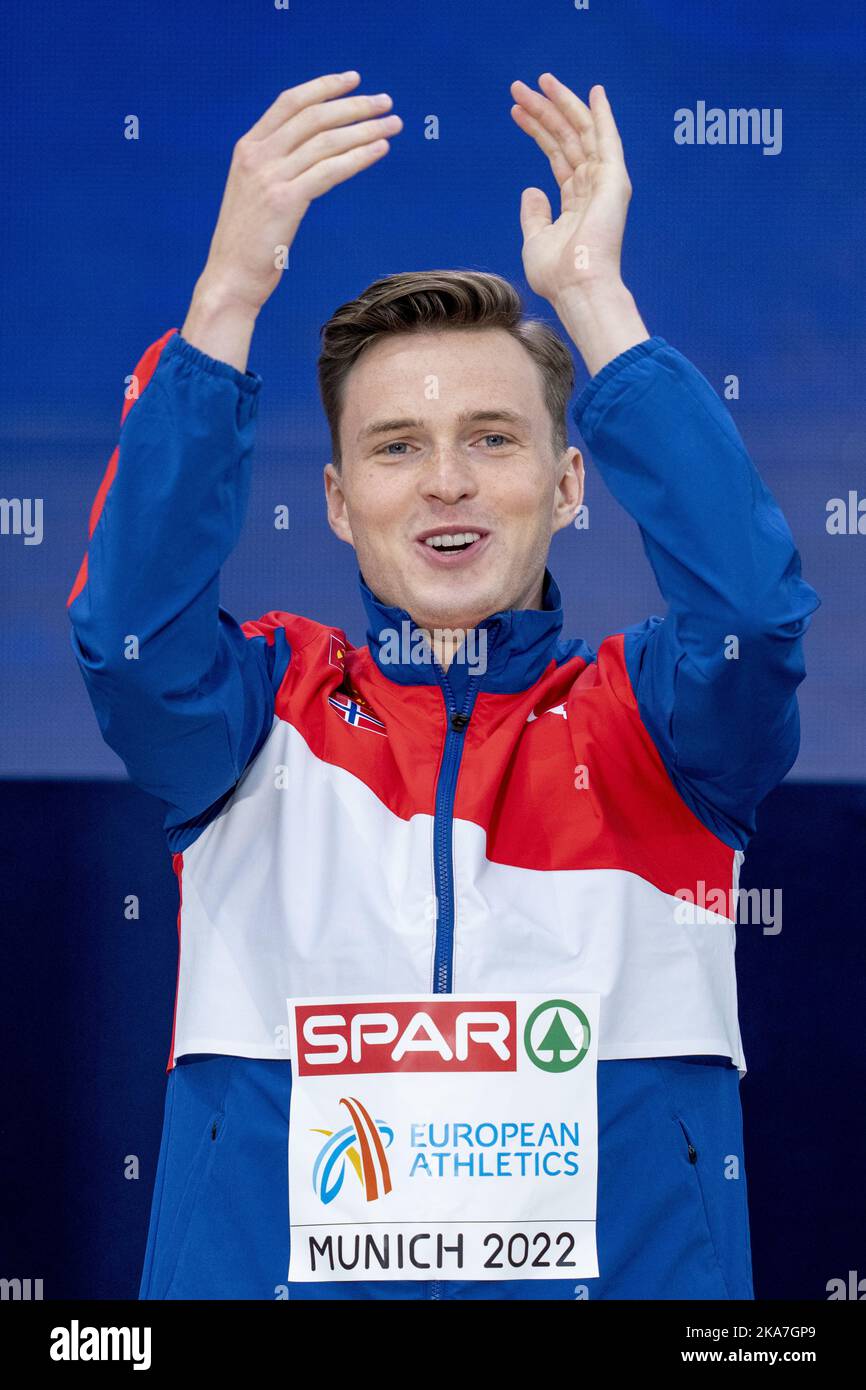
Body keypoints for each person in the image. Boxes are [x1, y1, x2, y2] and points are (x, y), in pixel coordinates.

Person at [67, 70, 819, 1300]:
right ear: (337, 504)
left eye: (491, 438)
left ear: (570, 483)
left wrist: (592, 298)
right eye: (396, 447)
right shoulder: (256, 717)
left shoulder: (661, 726)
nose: (446, 484)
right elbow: (128, 633)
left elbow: (748, 611)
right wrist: (226, 296)